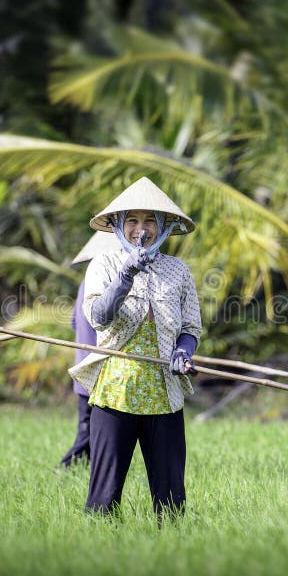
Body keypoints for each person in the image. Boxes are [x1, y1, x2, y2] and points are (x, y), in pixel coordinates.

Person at [69, 176, 201, 516]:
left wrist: (183, 352)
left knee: (171, 502)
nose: (140, 229)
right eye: (132, 220)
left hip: (164, 394)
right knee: (103, 501)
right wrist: (126, 274)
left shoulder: (178, 271)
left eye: (148, 221)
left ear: (163, 226)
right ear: (117, 226)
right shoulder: (105, 265)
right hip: (115, 393)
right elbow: (99, 316)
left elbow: (190, 327)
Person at [58, 231, 120, 469]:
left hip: (84, 367)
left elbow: (74, 321)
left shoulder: (87, 280)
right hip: (96, 371)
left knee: (92, 429)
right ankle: (64, 469)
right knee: (89, 431)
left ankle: (90, 470)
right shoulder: (109, 282)